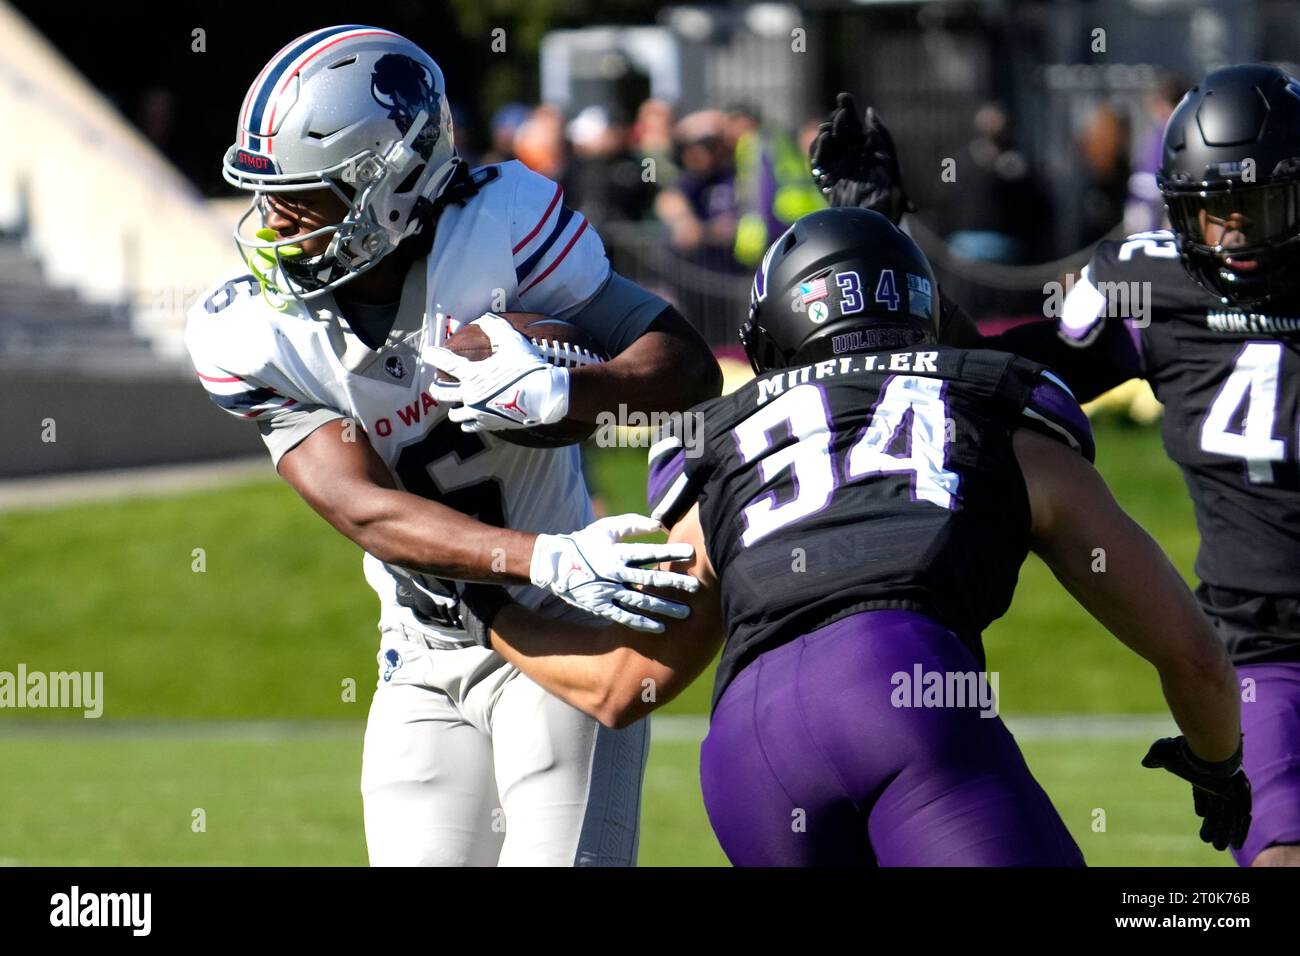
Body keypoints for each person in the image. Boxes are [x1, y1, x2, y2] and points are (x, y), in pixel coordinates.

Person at [456, 208, 1250, 866]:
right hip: (898, 690)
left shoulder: (727, 448)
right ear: (924, 315)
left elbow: (620, 687)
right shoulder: (994, 409)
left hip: (746, 757)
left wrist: (479, 603)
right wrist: (1218, 765)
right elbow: (1194, 655)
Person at [184, 25, 720, 866]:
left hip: (562, 637)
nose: (274, 223)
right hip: (422, 654)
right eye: (269, 194)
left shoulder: (500, 223)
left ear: (391, 184)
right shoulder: (251, 331)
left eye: (305, 196)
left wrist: (575, 390)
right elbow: (365, 508)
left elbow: (684, 366)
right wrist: (539, 556)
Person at [812, 69, 1300, 867]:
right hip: (1263, 650)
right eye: (1212, 211)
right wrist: (885, 235)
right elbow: (992, 377)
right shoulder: (1148, 282)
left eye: (1257, 208)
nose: (1233, 234)